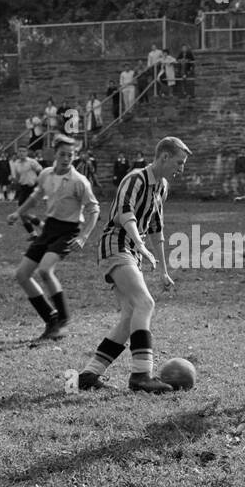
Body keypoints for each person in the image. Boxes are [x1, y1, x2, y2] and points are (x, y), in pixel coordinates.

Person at [77, 137, 193, 393]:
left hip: (132, 249)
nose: (181, 169)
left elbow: (156, 227)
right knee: (145, 303)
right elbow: (124, 213)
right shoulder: (135, 178)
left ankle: (87, 375)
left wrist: (163, 270)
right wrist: (139, 244)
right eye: (179, 162)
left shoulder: (162, 186)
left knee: (130, 316)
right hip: (117, 244)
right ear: (164, 157)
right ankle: (141, 376)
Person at [6, 137, 101, 342]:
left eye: (70, 155)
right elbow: (35, 196)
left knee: (45, 269)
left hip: (69, 230)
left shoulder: (79, 181)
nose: (66, 159)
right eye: (62, 154)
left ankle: (63, 318)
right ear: (54, 154)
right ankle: (51, 318)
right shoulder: (46, 174)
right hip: (49, 228)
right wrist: (18, 213)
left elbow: (94, 210)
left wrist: (83, 236)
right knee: (22, 274)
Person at [9, 144, 44, 235]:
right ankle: (33, 234)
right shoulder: (16, 163)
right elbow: (17, 178)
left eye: (23, 151)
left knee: (22, 212)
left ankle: (42, 226)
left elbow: (41, 172)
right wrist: (13, 180)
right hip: (23, 188)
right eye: (20, 151)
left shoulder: (32, 162)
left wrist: (38, 183)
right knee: (21, 212)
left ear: (27, 152)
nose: (21, 153)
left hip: (31, 188)